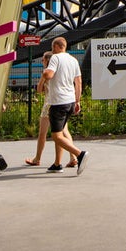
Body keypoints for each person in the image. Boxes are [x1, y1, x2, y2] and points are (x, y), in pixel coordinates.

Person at [40, 36, 87, 174]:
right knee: (59, 132)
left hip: (58, 102)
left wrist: (45, 72)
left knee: (56, 136)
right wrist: (78, 101)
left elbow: (49, 75)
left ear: (55, 47)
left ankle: (80, 154)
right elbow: (78, 82)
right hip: (70, 101)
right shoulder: (73, 60)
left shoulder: (55, 58)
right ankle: (57, 164)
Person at [23, 52, 53, 166]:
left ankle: (37, 158)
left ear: (47, 61)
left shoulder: (46, 72)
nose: (41, 62)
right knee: (64, 132)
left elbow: (39, 89)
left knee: (42, 133)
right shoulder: (57, 71)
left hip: (49, 104)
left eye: (43, 60)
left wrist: (41, 82)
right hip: (61, 102)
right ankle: (73, 156)